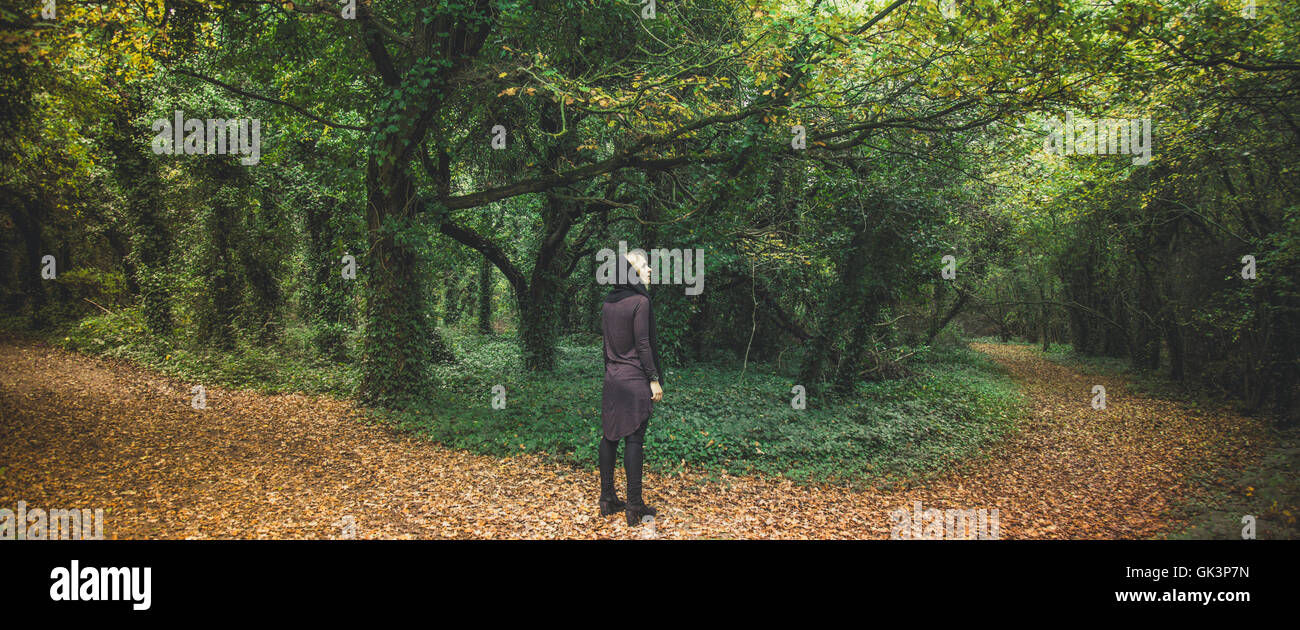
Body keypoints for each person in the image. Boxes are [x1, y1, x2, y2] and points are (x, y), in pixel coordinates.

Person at [598, 251, 664, 526]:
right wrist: (653, 378)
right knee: (634, 439)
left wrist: (611, 372)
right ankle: (634, 505)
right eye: (644, 265)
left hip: (612, 378)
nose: (649, 270)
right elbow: (643, 344)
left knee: (610, 437)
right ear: (632, 271)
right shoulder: (640, 301)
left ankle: (607, 498)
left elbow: (605, 347)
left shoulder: (608, 304)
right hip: (635, 379)